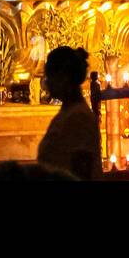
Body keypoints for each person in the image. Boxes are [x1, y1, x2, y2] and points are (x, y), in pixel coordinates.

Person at [37, 46, 103, 180]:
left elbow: (81, 173)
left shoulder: (79, 118)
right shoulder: (69, 112)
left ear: (64, 78)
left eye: (50, 76)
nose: (46, 83)